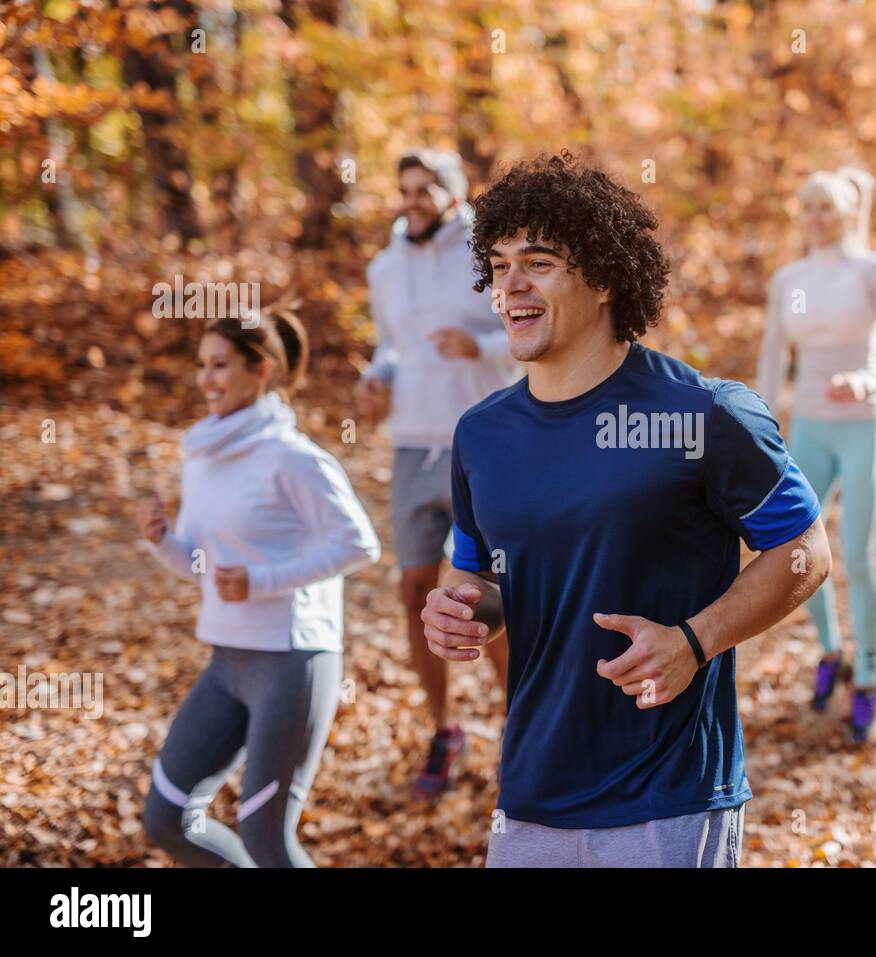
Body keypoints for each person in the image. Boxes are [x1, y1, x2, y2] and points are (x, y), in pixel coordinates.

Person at [420, 152, 832, 867]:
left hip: (667, 796)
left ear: (604, 278)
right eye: (500, 263)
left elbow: (808, 551)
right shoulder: (480, 435)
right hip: (530, 795)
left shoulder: (705, 412)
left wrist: (696, 639)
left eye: (540, 262)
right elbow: (479, 580)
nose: (511, 282)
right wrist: (459, 611)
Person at [139, 310, 380, 867]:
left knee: (266, 837)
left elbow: (360, 545)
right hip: (228, 661)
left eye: (220, 365)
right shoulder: (203, 455)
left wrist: (262, 580)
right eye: (201, 366)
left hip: (292, 662)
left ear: (261, 369)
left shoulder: (292, 457)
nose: (206, 378)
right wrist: (163, 542)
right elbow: (206, 568)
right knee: (167, 818)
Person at [355, 149, 517, 799]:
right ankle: (443, 727)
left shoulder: (487, 253)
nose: (414, 199)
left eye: (427, 188)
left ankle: (518, 728)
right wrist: (379, 376)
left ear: (456, 193)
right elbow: (392, 342)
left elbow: (530, 332)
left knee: (489, 594)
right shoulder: (384, 266)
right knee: (417, 589)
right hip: (410, 445)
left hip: (482, 444)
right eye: (406, 189)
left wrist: (481, 345)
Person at [757, 166, 876, 742]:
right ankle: (831, 651)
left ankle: (869, 675)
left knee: (856, 554)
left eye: (827, 207)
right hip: (808, 429)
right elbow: (774, 359)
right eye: (808, 207)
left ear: (851, 212)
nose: (817, 218)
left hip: (864, 427)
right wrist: (757, 422)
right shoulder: (788, 279)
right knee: (801, 552)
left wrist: (869, 378)